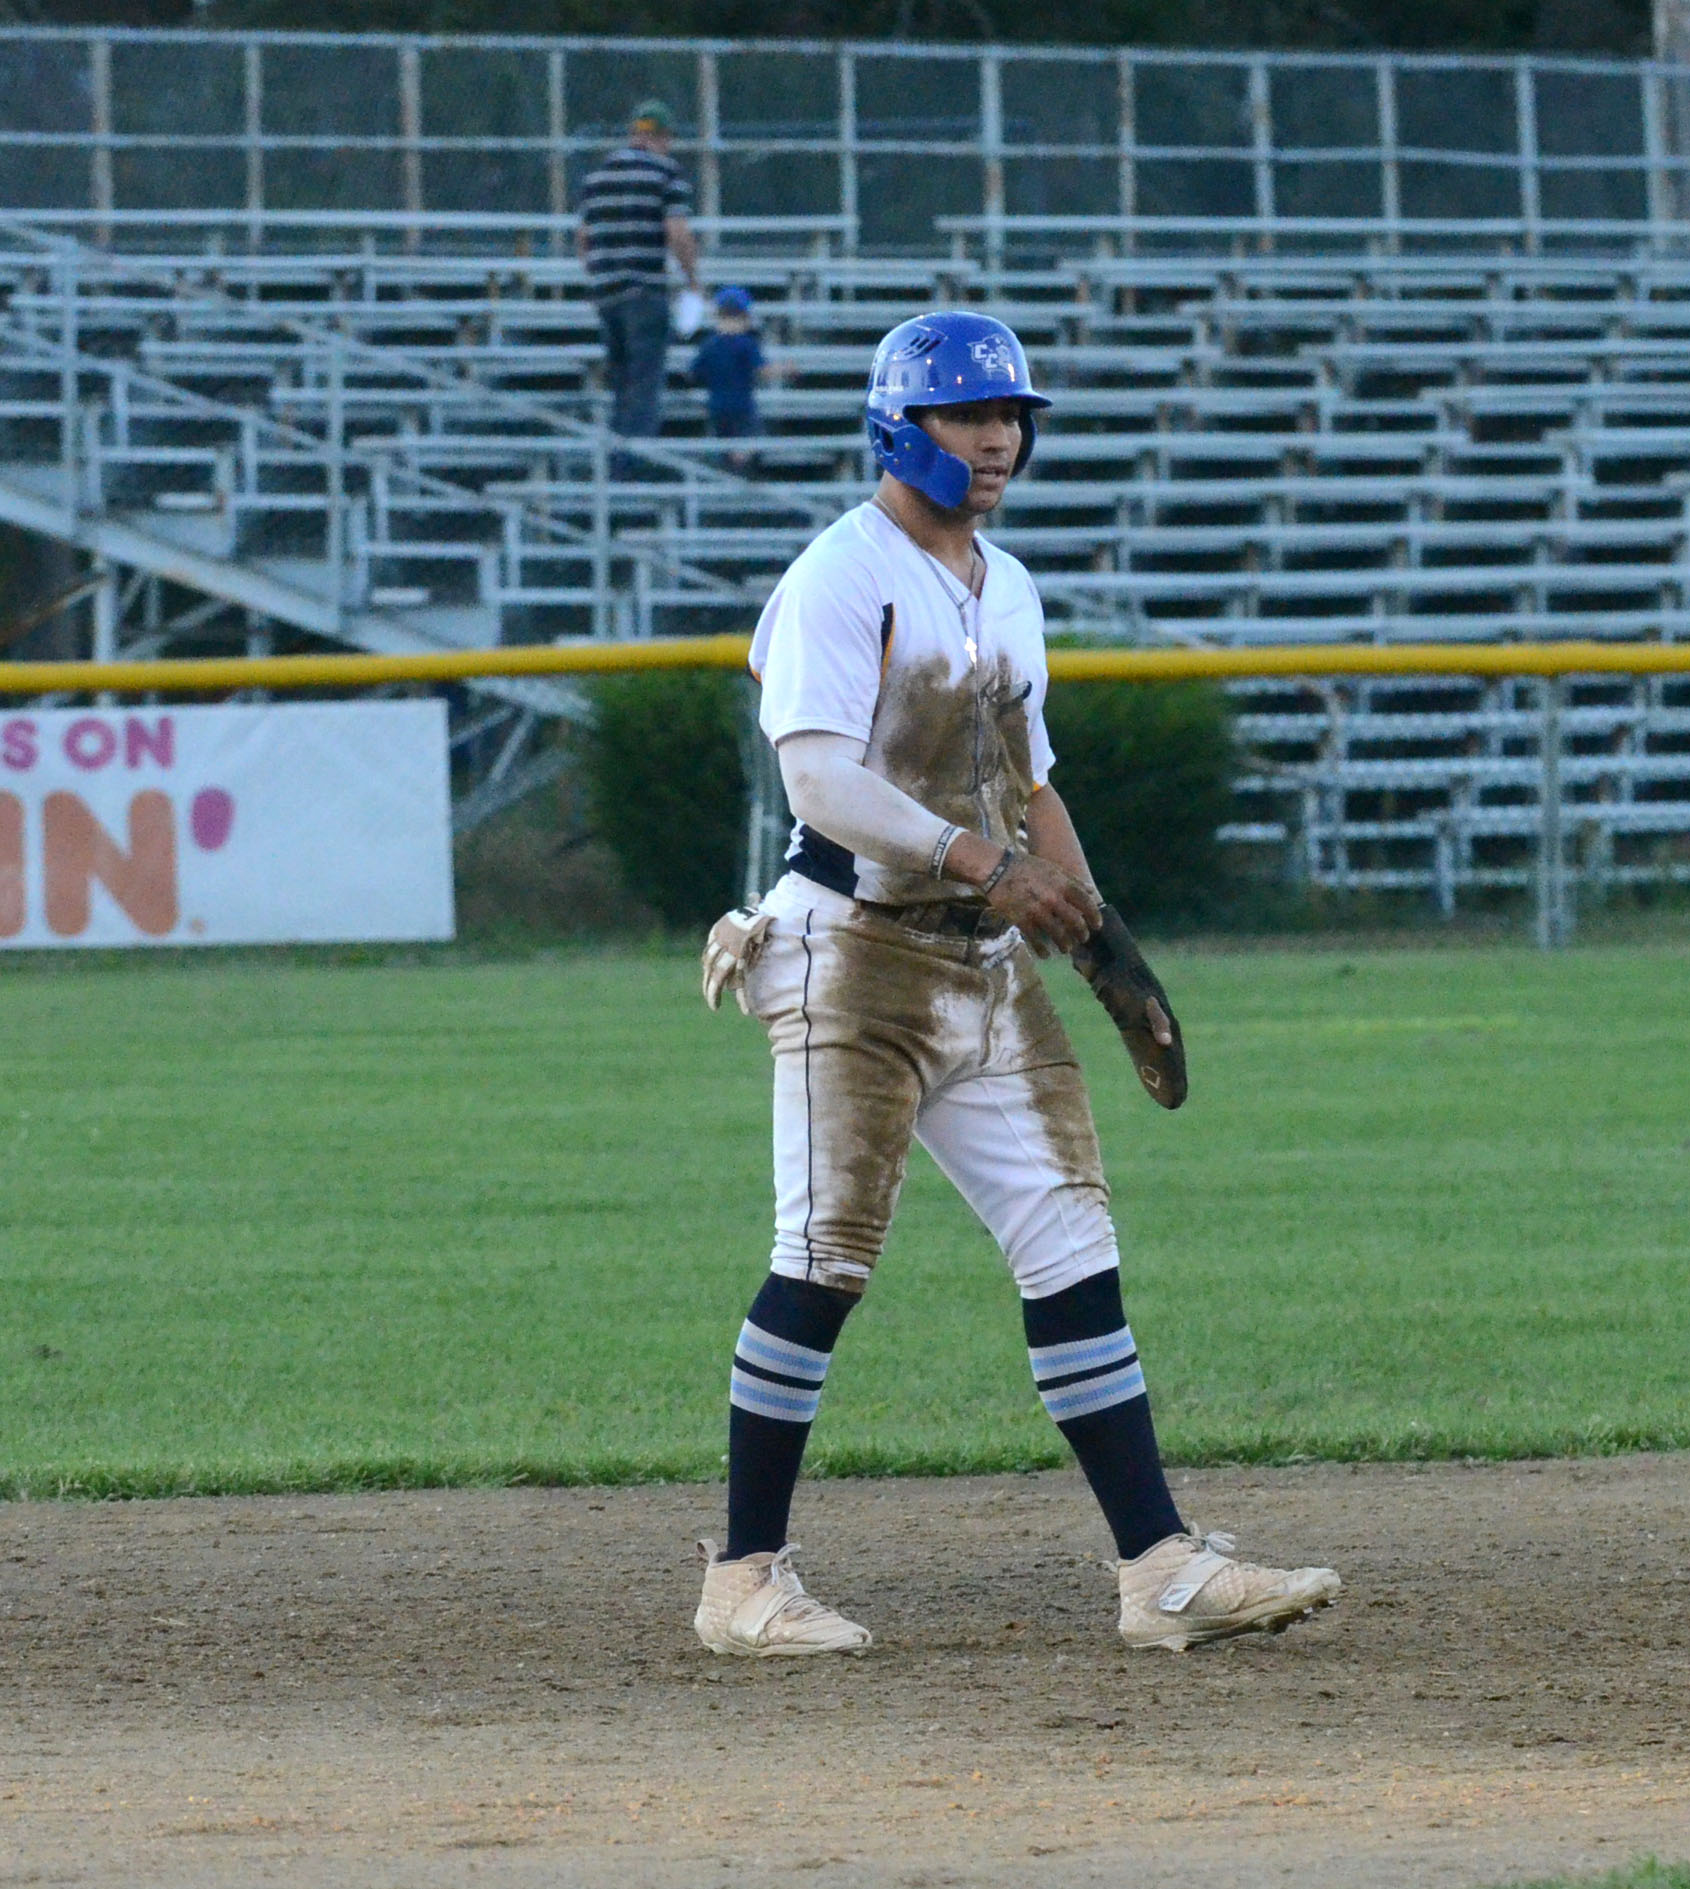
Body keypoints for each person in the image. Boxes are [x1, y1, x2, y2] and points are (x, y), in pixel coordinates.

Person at [689, 311, 1342, 1658]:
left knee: (1073, 1243)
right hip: (846, 952)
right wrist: (985, 864)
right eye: (967, 415)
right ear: (898, 426)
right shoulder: (838, 575)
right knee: (822, 1259)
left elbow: (1032, 783)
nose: (998, 438)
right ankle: (743, 1579)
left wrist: (1099, 941)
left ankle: (1157, 1566)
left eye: (1012, 417)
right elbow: (820, 782)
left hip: (981, 961)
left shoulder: (1009, 584)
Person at [574, 101, 699, 457]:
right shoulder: (666, 173)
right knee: (644, 388)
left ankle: (615, 462)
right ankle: (633, 467)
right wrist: (693, 282)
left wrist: (598, 276)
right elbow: (677, 231)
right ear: (664, 137)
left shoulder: (597, 178)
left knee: (621, 384)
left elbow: (584, 237)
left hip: (607, 294)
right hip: (643, 291)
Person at [687, 286, 775, 466]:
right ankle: (740, 459)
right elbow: (763, 371)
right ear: (745, 316)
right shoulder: (747, 343)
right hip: (742, 406)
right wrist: (785, 369)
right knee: (754, 440)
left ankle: (730, 463)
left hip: (717, 406)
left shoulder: (709, 344)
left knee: (723, 448)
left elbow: (693, 373)